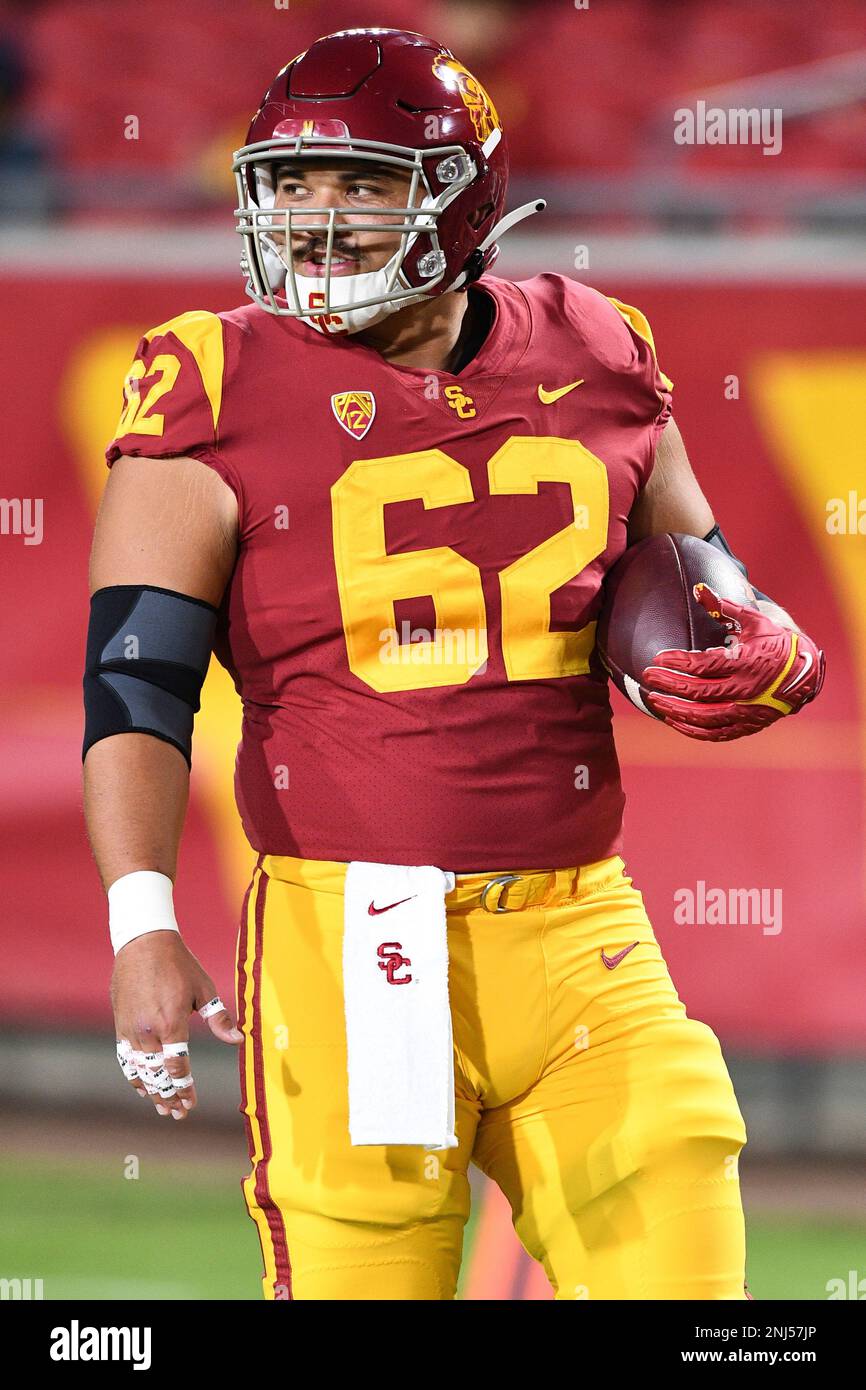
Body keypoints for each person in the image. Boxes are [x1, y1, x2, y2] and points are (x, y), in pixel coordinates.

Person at [83, 27, 824, 1301]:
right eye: (290, 188)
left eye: (361, 185)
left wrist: (771, 649)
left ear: (460, 195)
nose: (316, 225)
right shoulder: (213, 376)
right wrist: (141, 919)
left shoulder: (597, 349)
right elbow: (136, 685)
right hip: (352, 935)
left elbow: (707, 579)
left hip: (578, 919)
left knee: (698, 1303)